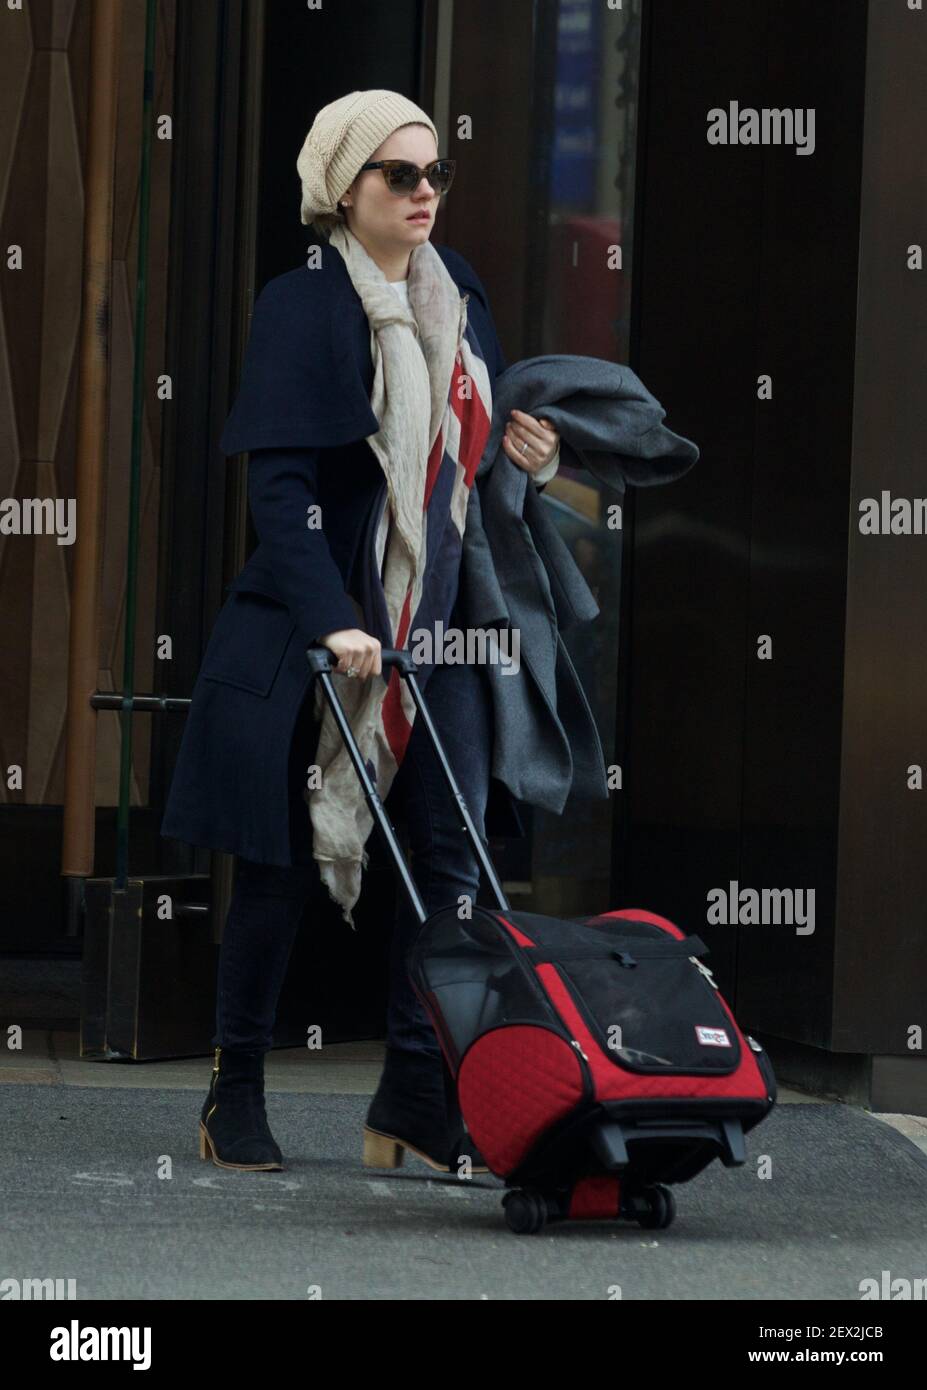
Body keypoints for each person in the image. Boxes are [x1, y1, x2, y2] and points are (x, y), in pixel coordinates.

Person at [160, 90, 561, 1175]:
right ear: (345, 190)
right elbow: (281, 488)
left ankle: (415, 1099)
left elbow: (457, 469)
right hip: (321, 630)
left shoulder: (460, 292)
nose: (425, 193)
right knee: (280, 866)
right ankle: (232, 1088)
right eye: (399, 176)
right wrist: (338, 622)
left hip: (438, 637)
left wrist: (526, 455)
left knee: (447, 869)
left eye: (436, 174)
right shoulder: (303, 306)